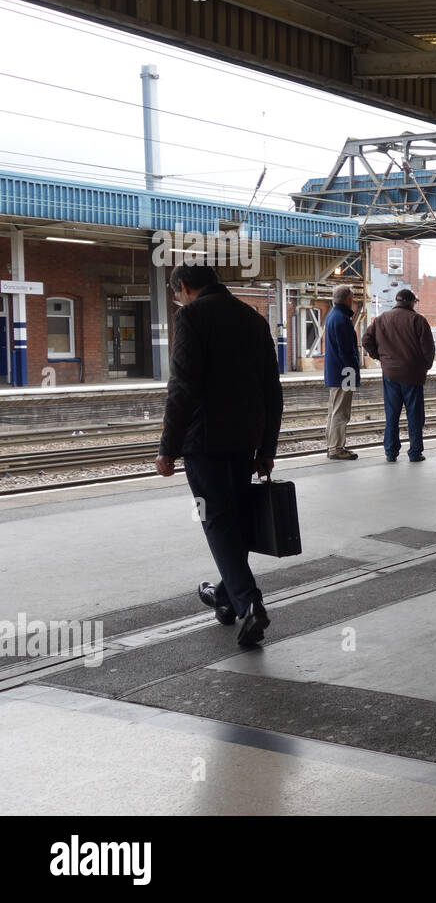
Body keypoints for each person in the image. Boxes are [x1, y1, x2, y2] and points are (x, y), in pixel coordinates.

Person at [155, 262, 282, 648]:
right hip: (244, 440)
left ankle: (248, 605)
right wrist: (267, 448)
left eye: (176, 293)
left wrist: (168, 448)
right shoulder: (252, 318)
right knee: (233, 521)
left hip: (205, 441)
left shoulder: (191, 317)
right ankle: (225, 598)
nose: (177, 299)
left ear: (184, 287)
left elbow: (183, 387)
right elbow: (271, 391)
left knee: (216, 521)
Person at [363, 288, 435, 463]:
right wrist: (424, 367)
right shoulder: (417, 320)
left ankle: (391, 452)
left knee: (392, 414)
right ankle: (415, 452)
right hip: (412, 374)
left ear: (397, 301)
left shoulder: (381, 319)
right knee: (415, 416)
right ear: (411, 302)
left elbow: (365, 339)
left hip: (390, 374)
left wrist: (379, 357)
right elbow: (428, 349)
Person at [324, 283, 361, 460]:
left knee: (333, 410)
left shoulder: (332, 316)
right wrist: (353, 371)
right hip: (344, 373)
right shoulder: (342, 319)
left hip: (335, 372)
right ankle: (336, 448)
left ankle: (331, 445)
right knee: (341, 412)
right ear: (348, 299)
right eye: (352, 299)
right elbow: (346, 350)